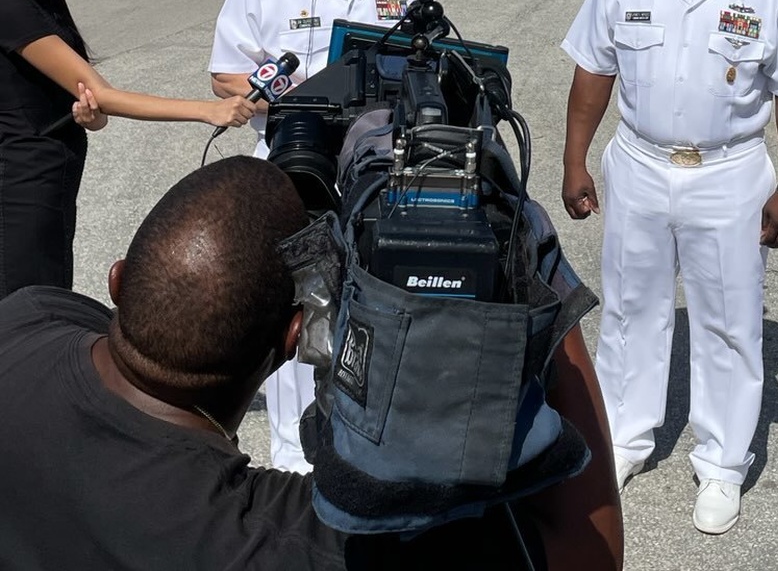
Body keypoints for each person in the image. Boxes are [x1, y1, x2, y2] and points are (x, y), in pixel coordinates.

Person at [0, 156, 623, 570]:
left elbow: (151, 325)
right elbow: (583, 553)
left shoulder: (26, 319)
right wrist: (540, 284)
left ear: (116, 279)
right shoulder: (271, 541)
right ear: (297, 337)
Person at [559, 0, 778, 534]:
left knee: (729, 321)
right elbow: (593, 71)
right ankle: (625, 437)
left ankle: (721, 462)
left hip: (730, 172)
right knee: (628, 309)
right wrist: (574, 160)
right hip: (641, 164)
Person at [210, 0, 421, 471]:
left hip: (375, 165)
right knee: (299, 303)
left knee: (372, 292)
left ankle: (362, 442)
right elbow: (224, 72)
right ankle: (290, 459)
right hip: (296, 166)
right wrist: (276, 88)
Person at [0, 0, 254, 300]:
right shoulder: (7, 4)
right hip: (18, 185)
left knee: (43, 299)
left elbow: (85, 102)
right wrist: (209, 110)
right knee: (26, 311)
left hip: (49, 175)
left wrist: (89, 117)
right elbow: (102, 92)